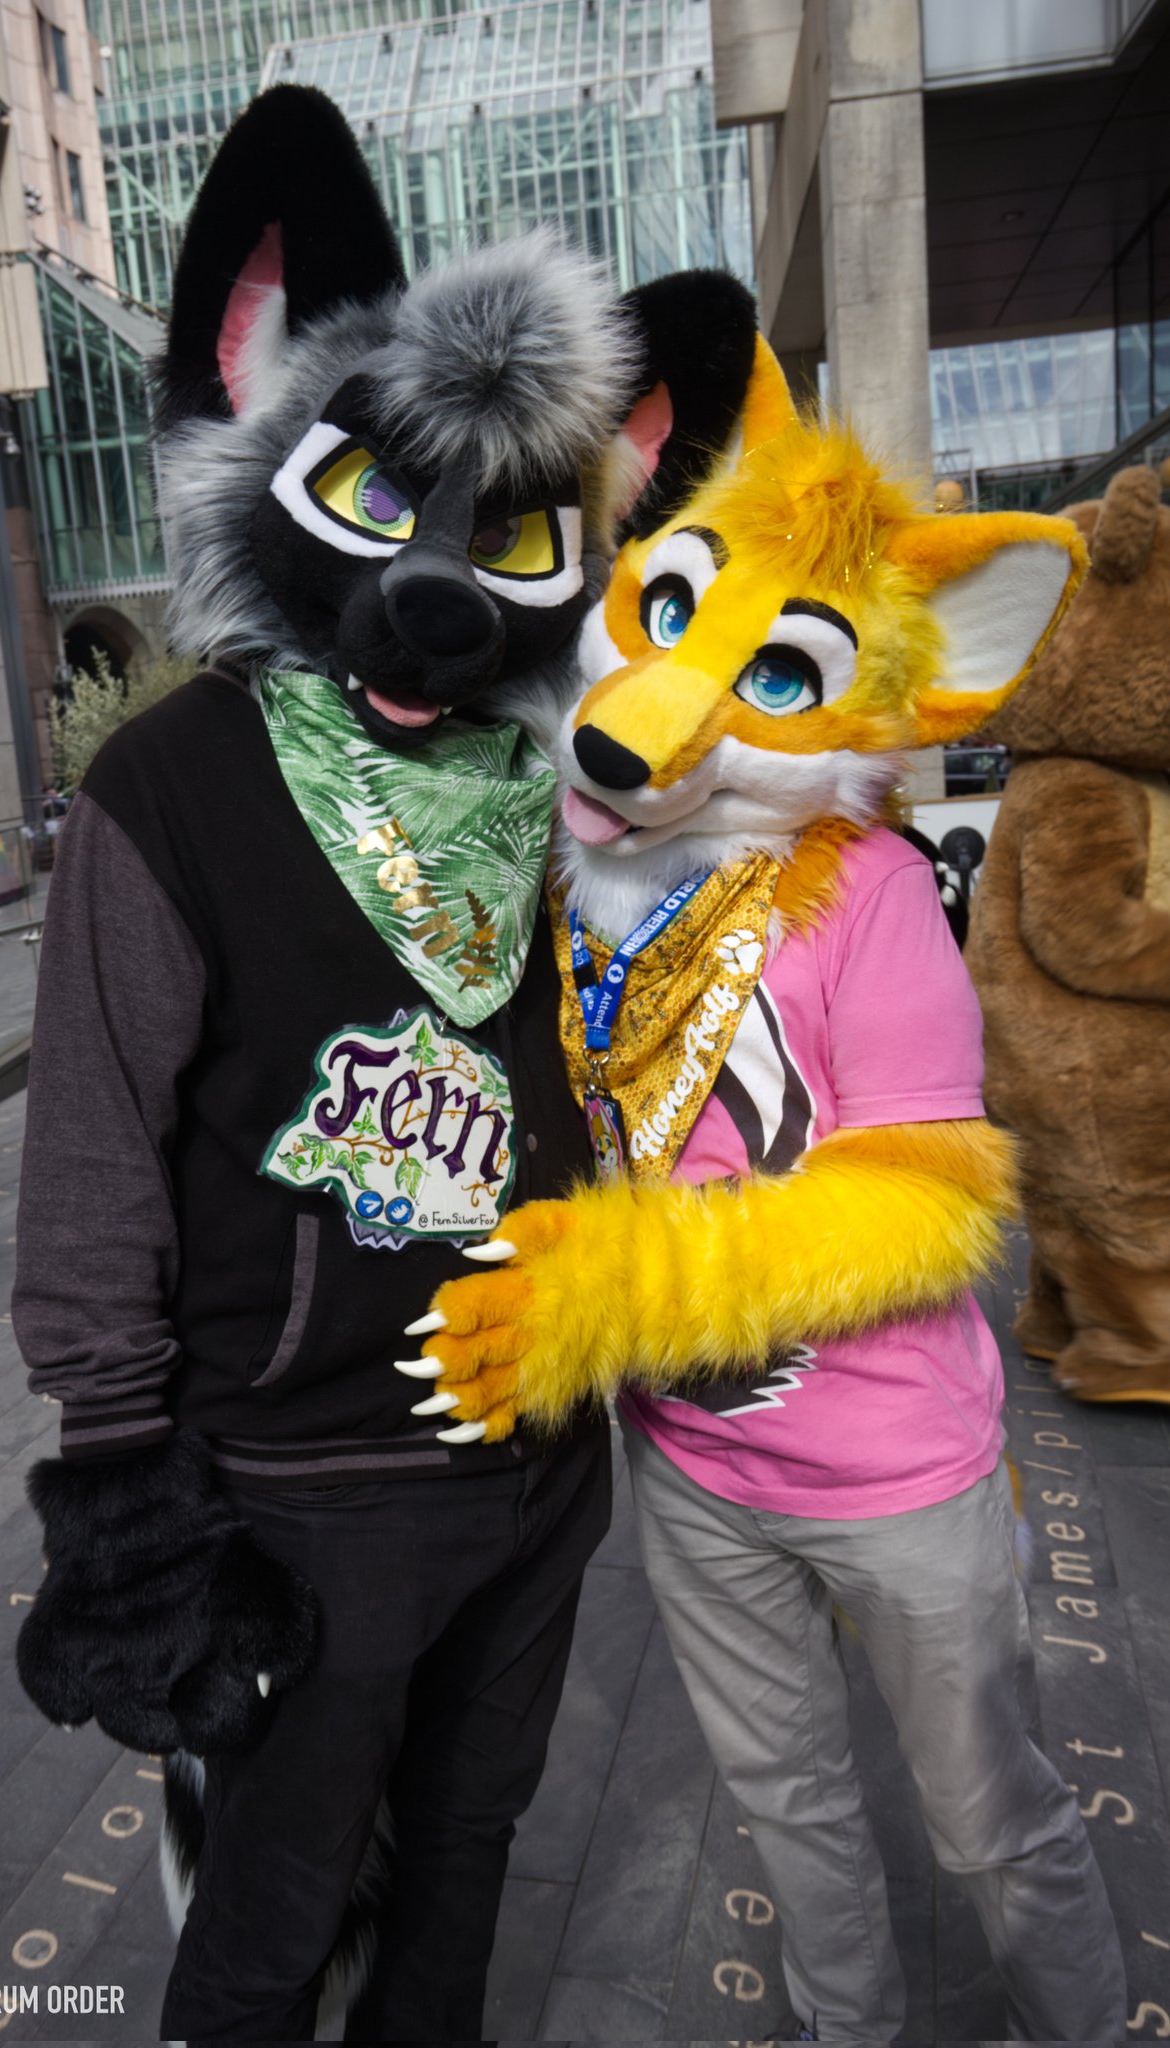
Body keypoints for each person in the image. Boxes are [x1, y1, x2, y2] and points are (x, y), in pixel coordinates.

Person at [9, 84, 759, 2042]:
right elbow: (90, 1162)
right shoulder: (170, 789)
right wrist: (120, 1499)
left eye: (502, 529)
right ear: (266, 430)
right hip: (306, 1492)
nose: (434, 582)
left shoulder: (554, 796)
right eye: (374, 499)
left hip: (531, 1465)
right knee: (264, 1926)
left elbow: (605, 1090)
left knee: (466, 1867)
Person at [406, 339, 1127, 2043]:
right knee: (787, 1807)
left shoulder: (866, 894)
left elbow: (920, 1199)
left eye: (776, 678)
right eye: (668, 619)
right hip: (695, 1469)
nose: (661, 708)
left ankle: (1090, 2026)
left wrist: (611, 1295)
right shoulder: (579, 876)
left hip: (895, 1474)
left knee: (988, 1822)